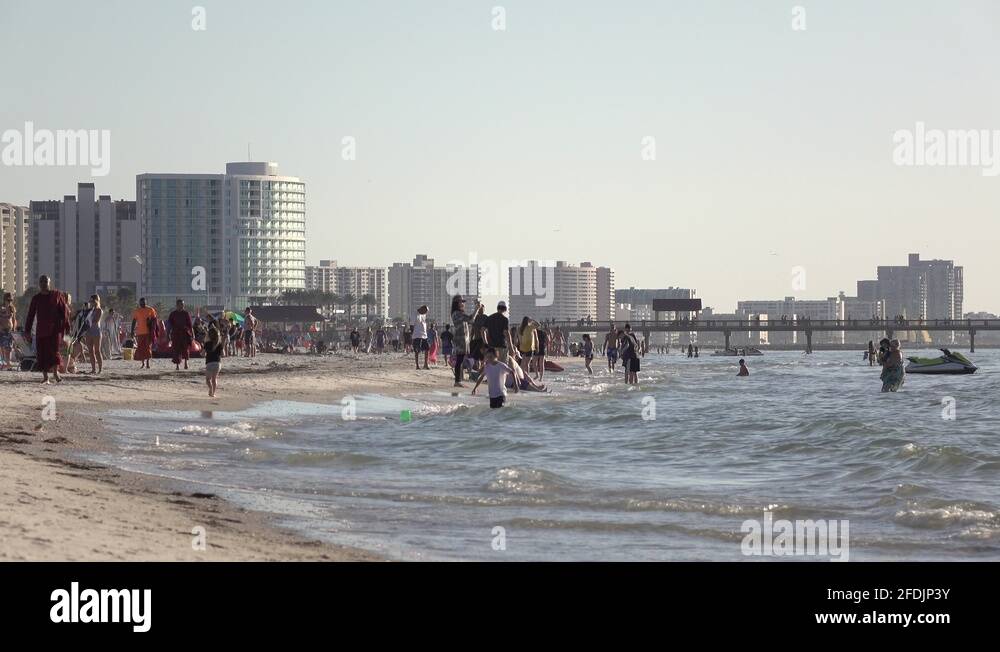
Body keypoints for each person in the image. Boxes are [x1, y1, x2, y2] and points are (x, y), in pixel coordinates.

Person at [23, 275, 71, 384]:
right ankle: (45, 377)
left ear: (49, 282)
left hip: (55, 330)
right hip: (41, 330)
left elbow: (64, 313)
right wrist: (27, 331)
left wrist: (67, 331)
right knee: (42, 353)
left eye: (46, 281)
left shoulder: (57, 295)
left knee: (54, 352)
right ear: (39, 284)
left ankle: (55, 373)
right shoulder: (36, 298)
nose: (44, 284)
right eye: (41, 282)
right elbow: (30, 315)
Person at [451, 295, 480, 387]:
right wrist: (477, 309)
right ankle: (457, 381)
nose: (463, 304)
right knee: (459, 360)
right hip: (460, 340)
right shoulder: (456, 313)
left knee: (460, 360)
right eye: (461, 302)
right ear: (457, 303)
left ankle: (458, 380)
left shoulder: (458, 313)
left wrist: (477, 309)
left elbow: (470, 320)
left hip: (462, 339)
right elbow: (471, 319)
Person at [484, 301, 515, 365]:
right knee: (502, 367)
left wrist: (485, 342)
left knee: (492, 366)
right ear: (506, 309)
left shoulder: (489, 318)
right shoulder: (504, 319)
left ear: (497, 308)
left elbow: (482, 330)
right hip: (501, 347)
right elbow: (506, 333)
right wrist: (511, 347)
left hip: (491, 347)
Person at [130, 298, 157, 369]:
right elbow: (134, 321)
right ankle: (143, 363)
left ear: (146, 302)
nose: (142, 304)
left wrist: (150, 322)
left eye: (144, 303)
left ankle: (148, 363)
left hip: (148, 332)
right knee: (141, 348)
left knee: (148, 348)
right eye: (141, 303)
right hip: (140, 333)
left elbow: (154, 320)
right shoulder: (137, 311)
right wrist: (132, 331)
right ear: (139, 303)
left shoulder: (150, 310)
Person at [167, 299, 194, 371]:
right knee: (176, 349)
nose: (181, 306)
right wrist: (168, 334)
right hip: (176, 333)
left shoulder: (186, 313)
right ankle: (177, 365)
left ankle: (186, 363)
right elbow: (169, 325)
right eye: (180, 304)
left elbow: (190, 325)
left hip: (185, 333)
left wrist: (192, 334)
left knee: (185, 348)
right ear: (177, 305)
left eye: (182, 304)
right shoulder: (173, 314)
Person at [203, 316, 223, 397]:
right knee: (214, 379)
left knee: (208, 380)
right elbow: (223, 354)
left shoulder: (207, 343)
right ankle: (213, 393)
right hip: (218, 363)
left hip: (209, 363)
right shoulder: (219, 344)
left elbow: (202, 353)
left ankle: (210, 389)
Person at [84, 294, 104, 374]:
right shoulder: (89, 311)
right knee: (90, 351)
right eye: (90, 301)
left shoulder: (99, 310)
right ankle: (93, 369)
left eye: (92, 301)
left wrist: (88, 318)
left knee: (97, 351)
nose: (91, 302)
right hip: (89, 332)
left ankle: (100, 369)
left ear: (96, 301)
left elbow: (95, 320)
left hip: (96, 331)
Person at [0, 292, 16, 370]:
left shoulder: (12, 308)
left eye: (11, 300)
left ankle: (8, 363)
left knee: (9, 348)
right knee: (2, 347)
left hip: (10, 330)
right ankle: (4, 363)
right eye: (8, 300)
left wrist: (14, 329)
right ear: (5, 299)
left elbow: (13, 319)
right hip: (2, 330)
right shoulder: (1, 307)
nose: (9, 301)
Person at [412, 305, 430, 369]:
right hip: (417, 335)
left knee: (427, 349)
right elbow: (412, 326)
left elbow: (424, 324)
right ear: (421, 309)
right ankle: (417, 365)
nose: (425, 313)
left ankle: (426, 364)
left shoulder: (423, 314)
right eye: (425, 311)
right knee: (417, 350)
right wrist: (412, 336)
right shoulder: (415, 314)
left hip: (424, 335)